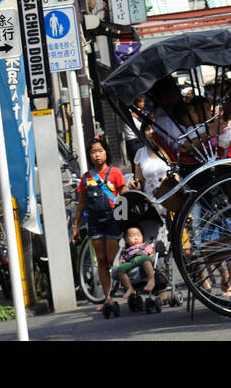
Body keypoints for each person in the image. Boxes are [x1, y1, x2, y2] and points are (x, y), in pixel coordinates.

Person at [71, 137, 126, 312]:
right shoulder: (86, 178)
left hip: (112, 219)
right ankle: (108, 298)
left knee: (113, 259)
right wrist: (75, 226)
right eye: (93, 152)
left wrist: (125, 220)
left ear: (106, 152)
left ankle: (129, 289)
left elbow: (124, 197)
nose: (97, 155)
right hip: (94, 222)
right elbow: (81, 202)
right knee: (101, 260)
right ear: (89, 155)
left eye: (100, 151)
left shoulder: (115, 172)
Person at [116, 224, 157, 296]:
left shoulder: (145, 245)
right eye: (132, 236)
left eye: (138, 235)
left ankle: (151, 280)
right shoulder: (126, 250)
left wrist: (150, 254)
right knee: (120, 269)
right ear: (127, 240)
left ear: (142, 237)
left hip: (142, 259)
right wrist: (123, 263)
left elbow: (150, 252)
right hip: (131, 262)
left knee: (145, 259)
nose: (136, 238)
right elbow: (123, 258)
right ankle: (129, 288)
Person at [133, 125, 169, 199]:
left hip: (171, 198)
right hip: (151, 201)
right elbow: (139, 181)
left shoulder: (169, 150)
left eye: (154, 128)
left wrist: (171, 180)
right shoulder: (140, 153)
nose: (151, 132)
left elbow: (179, 175)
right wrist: (135, 184)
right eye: (147, 129)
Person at [123, 93, 148, 168]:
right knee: (137, 163)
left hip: (138, 140)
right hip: (134, 141)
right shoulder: (132, 113)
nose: (142, 104)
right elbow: (140, 127)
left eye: (143, 102)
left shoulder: (143, 112)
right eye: (140, 102)